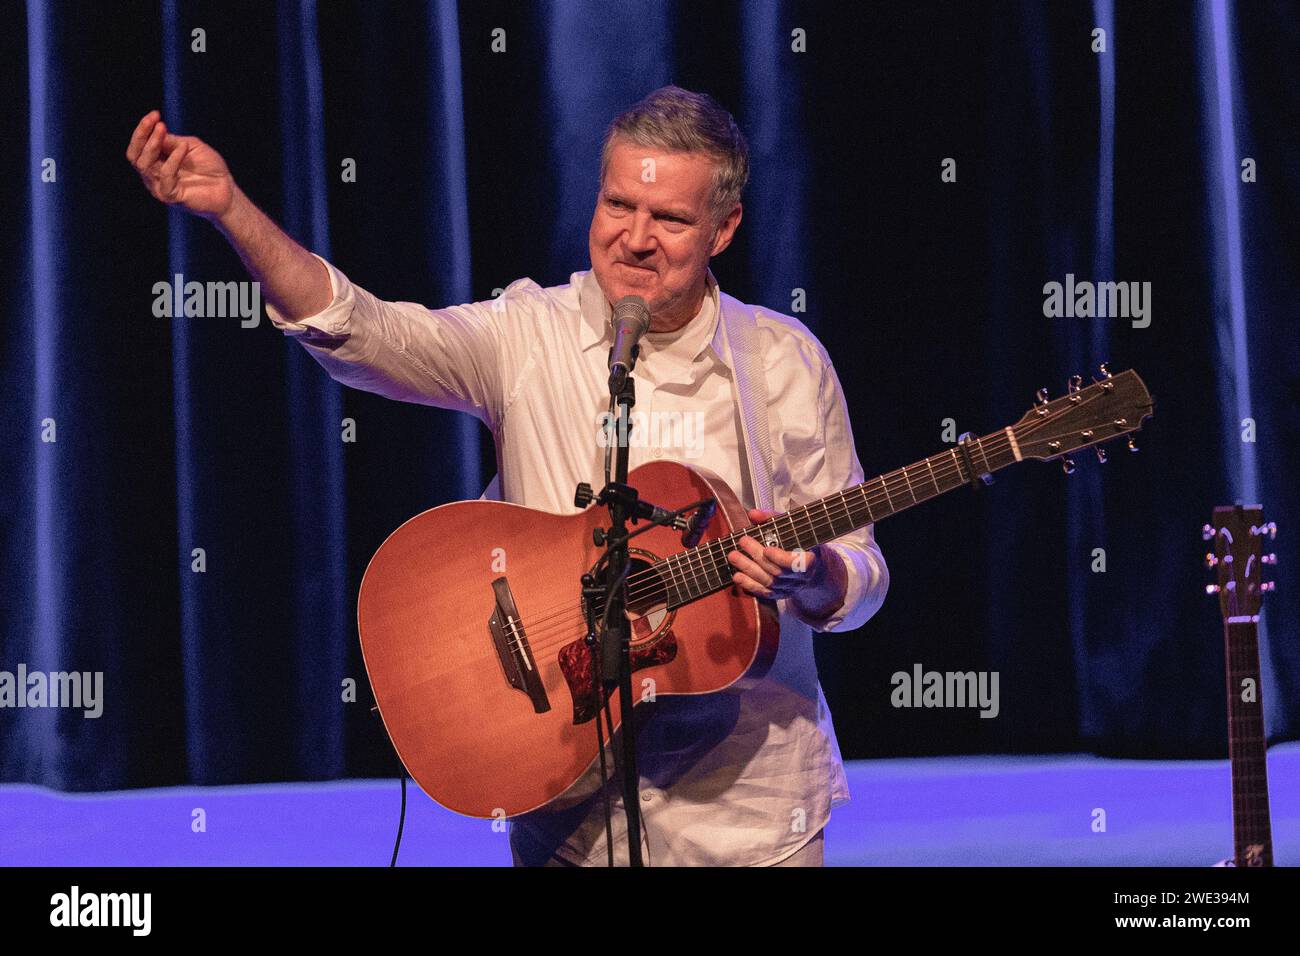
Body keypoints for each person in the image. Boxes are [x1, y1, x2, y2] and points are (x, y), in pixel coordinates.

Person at [126, 84, 889, 867]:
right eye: (618, 205)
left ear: (724, 228)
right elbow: (362, 334)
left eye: (669, 219)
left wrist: (817, 577)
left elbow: (862, 569)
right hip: (568, 807)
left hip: (748, 816)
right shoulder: (526, 334)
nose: (635, 238)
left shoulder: (782, 359)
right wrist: (232, 210)